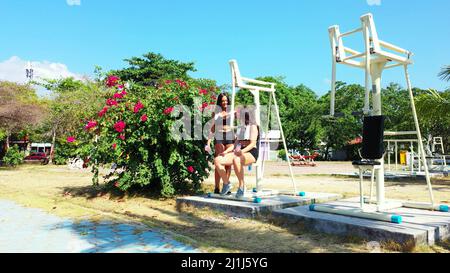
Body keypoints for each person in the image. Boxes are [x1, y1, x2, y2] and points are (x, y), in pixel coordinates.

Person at [214, 109, 259, 198]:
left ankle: (242, 186)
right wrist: (225, 152)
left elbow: (252, 144)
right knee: (217, 160)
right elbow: (235, 145)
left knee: (236, 159)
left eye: (239, 115)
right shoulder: (240, 128)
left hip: (251, 152)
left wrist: (241, 152)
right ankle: (226, 183)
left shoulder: (253, 126)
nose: (237, 117)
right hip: (238, 151)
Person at [205, 93, 235, 194]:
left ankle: (226, 186)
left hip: (230, 136)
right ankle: (217, 187)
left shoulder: (231, 110)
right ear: (219, 102)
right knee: (219, 162)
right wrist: (208, 143)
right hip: (219, 137)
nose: (224, 102)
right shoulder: (216, 113)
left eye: (226, 100)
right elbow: (212, 129)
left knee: (228, 164)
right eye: (222, 101)